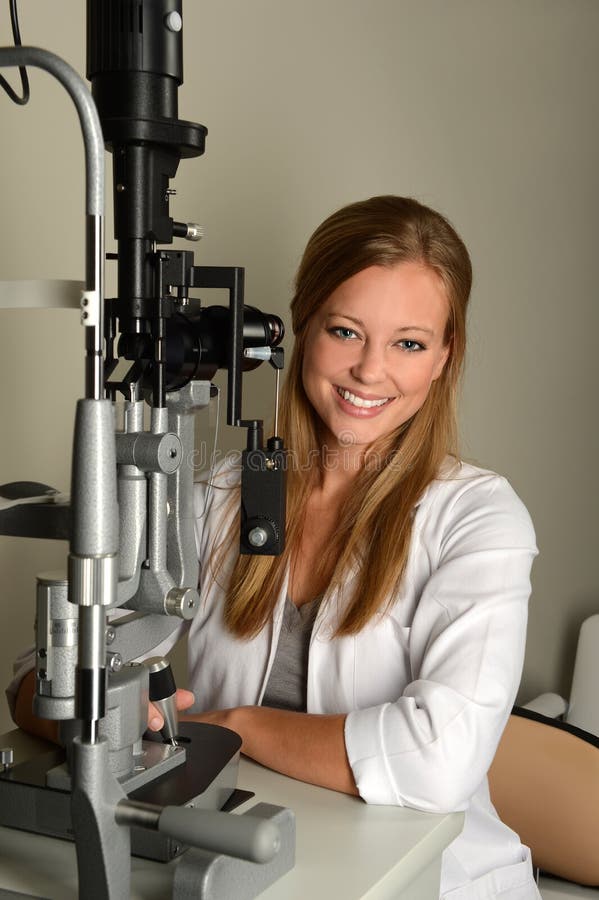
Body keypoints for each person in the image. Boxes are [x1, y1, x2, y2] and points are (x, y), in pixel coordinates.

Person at [9, 195, 540, 899]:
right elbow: (45, 675)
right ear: (300, 325)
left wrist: (230, 726)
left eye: (408, 343)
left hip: (425, 880)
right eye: (346, 332)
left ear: (445, 357)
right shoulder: (216, 495)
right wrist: (79, 702)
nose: (369, 371)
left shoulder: (477, 518)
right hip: (245, 860)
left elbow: (437, 761)